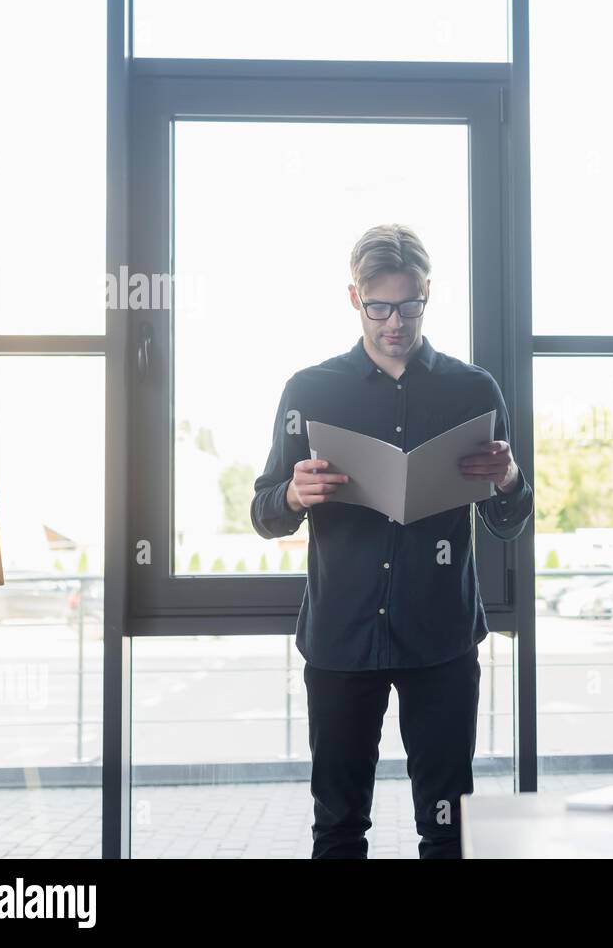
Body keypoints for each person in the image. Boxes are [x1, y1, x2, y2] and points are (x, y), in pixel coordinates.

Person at [250, 223, 533, 858]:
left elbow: (509, 520)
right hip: (341, 638)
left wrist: (509, 478)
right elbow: (265, 513)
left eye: (410, 306)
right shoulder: (309, 390)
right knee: (338, 828)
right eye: (379, 308)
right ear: (354, 298)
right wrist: (293, 493)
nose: (395, 323)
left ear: (428, 293)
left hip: (441, 640)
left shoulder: (473, 390)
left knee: (448, 828)